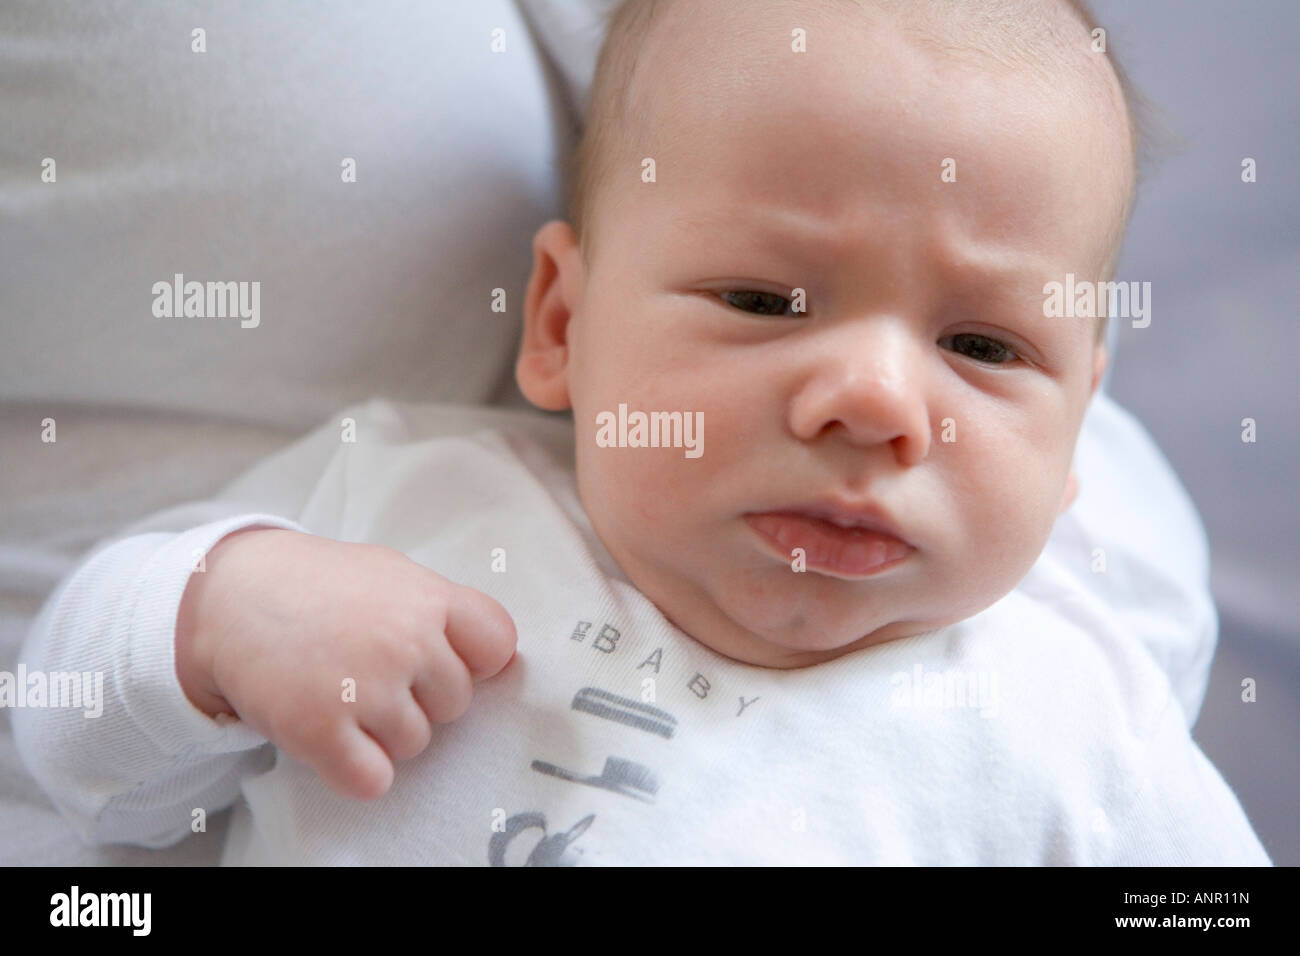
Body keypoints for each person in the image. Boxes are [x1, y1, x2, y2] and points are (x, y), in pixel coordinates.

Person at [13, 0, 1271, 865]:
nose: (876, 402)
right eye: (766, 300)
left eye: (987, 349)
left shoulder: (1080, 725)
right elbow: (77, 754)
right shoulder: (416, 507)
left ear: (1078, 435)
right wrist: (221, 619)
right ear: (560, 322)